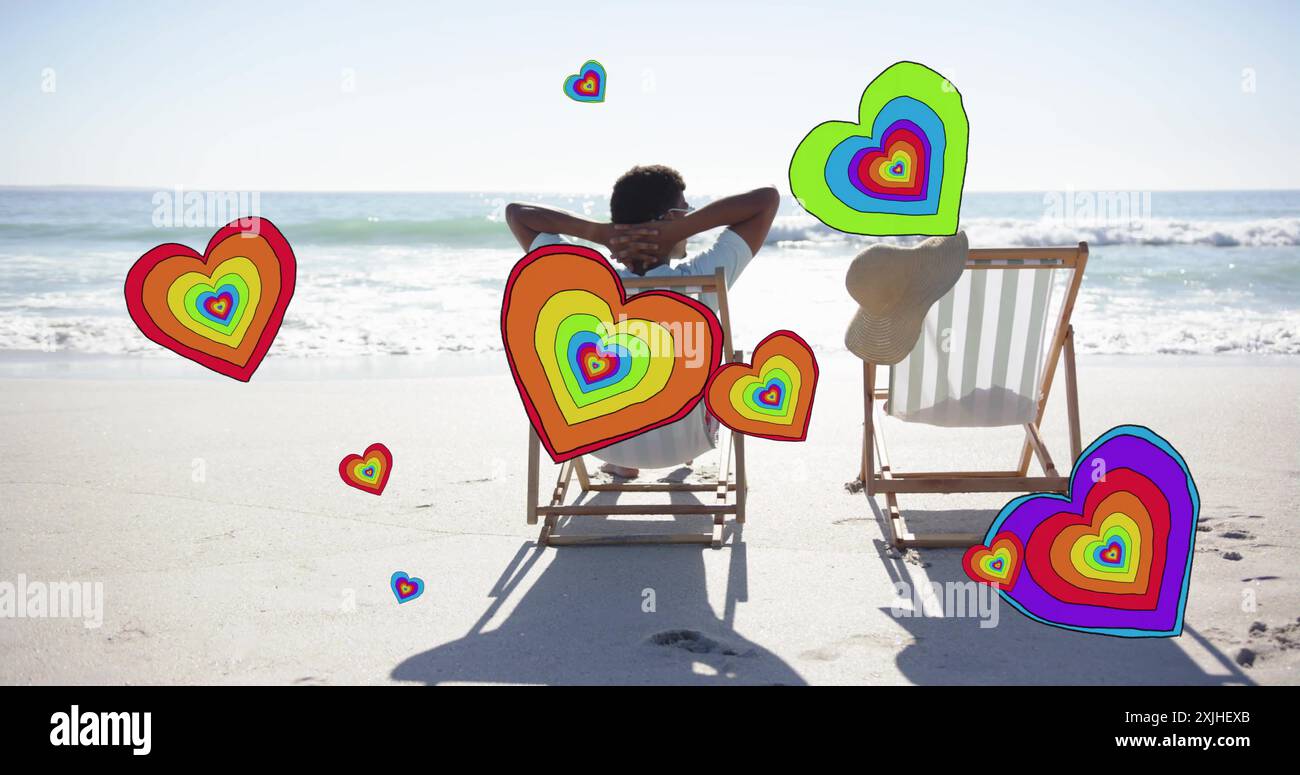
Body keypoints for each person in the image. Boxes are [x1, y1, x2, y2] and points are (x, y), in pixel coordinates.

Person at [505, 165, 779, 478]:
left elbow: (517, 214)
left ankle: (624, 459)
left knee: (605, 357)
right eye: (684, 211)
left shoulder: (586, 281)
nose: (690, 214)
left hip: (601, 441)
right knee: (705, 357)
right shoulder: (699, 280)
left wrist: (599, 233)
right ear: (671, 218)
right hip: (688, 442)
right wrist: (682, 229)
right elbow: (767, 199)